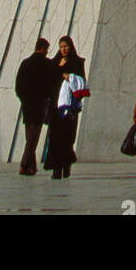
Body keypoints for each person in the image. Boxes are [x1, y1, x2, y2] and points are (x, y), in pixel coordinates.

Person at [45, 34, 86, 180]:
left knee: (67, 137)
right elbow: (49, 83)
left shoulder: (77, 62)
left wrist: (71, 78)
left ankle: (66, 165)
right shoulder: (54, 63)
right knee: (55, 137)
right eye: (61, 47)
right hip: (56, 107)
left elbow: (82, 83)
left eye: (66, 46)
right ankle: (56, 168)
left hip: (70, 107)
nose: (63, 49)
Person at [14, 37, 51, 175]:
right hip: (39, 104)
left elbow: (18, 85)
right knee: (33, 137)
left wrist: (24, 99)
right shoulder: (47, 64)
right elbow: (50, 85)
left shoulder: (25, 63)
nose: (47, 52)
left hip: (27, 105)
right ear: (43, 48)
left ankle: (32, 166)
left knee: (30, 135)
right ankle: (24, 164)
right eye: (46, 49)